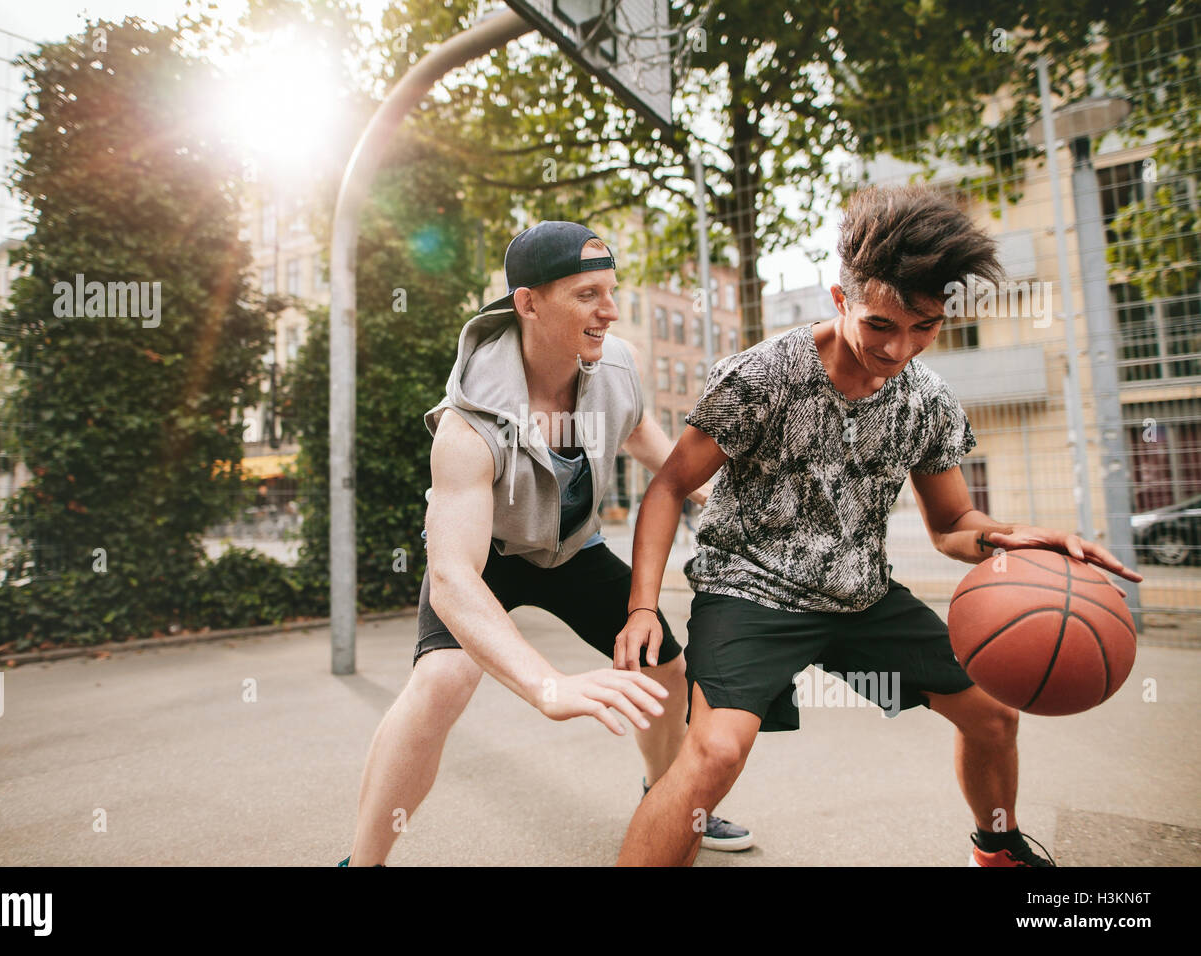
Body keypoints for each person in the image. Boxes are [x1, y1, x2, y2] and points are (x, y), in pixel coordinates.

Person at [612, 185, 1144, 867]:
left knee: (992, 714)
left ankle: (998, 848)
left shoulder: (925, 399)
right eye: (881, 326)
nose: (899, 349)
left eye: (923, 328)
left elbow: (953, 524)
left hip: (859, 597)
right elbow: (669, 486)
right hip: (749, 590)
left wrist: (1003, 538)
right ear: (843, 302)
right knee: (714, 751)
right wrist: (642, 607)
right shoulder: (763, 376)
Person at [340, 221, 752, 865]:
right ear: (528, 302)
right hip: (490, 561)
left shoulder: (615, 363)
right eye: (588, 295)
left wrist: (715, 498)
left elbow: (642, 432)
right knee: (441, 681)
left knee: (666, 667)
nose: (610, 311)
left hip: (572, 549)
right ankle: (360, 861)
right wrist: (546, 685)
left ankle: (667, 796)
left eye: (611, 291)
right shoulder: (467, 425)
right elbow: (452, 577)